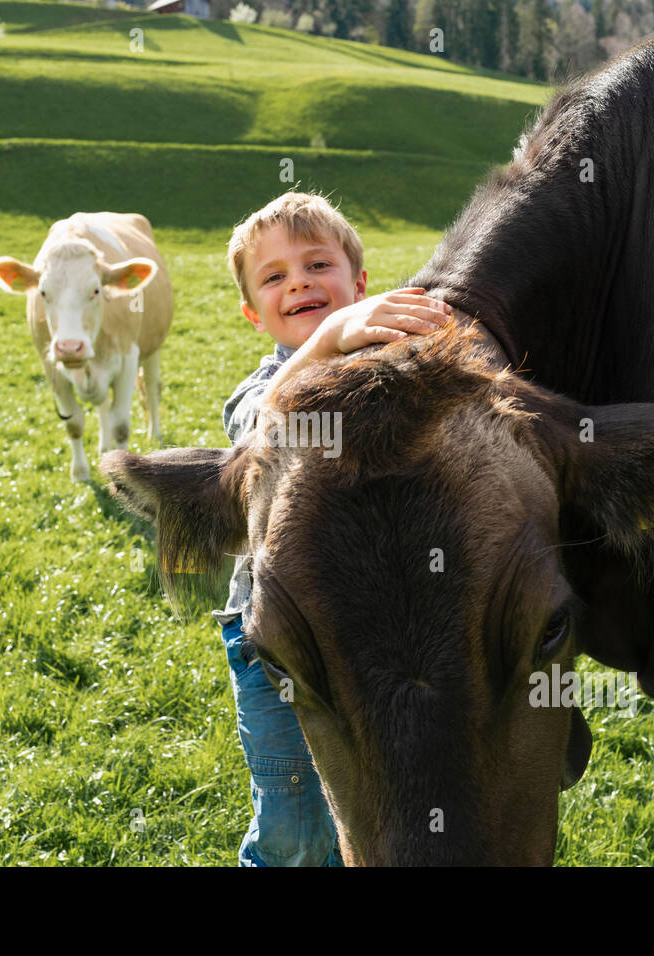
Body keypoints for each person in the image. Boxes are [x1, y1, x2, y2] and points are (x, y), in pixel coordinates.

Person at [213, 191, 452, 865]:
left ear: (361, 284)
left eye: (318, 264)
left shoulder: (394, 375)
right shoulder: (260, 388)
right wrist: (327, 342)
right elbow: (266, 432)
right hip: (278, 645)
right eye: (275, 277)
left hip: (385, 633)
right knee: (297, 825)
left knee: (385, 805)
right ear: (253, 315)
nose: (300, 283)